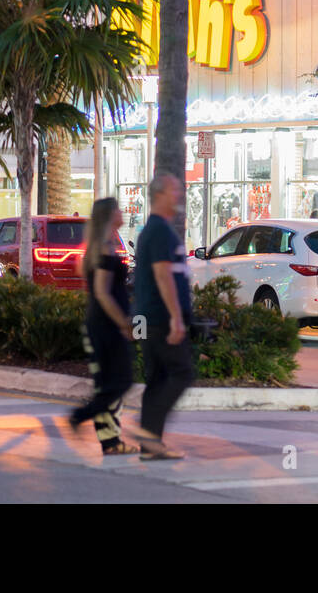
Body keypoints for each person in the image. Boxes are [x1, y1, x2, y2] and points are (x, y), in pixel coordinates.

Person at [69, 198, 154, 456]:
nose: (122, 212)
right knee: (119, 383)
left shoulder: (102, 247)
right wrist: (124, 323)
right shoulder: (104, 253)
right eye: (118, 209)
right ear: (109, 216)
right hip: (105, 328)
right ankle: (81, 416)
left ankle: (111, 443)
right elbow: (103, 294)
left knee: (111, 385)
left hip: (103, 327)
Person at [132, 173, 195, 461]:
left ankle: (150, 443)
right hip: (160, 318)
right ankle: (148, 434)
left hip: (148, 318)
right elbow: (162, 274)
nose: (179, 195)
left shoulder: (155, 229)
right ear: (159, 195)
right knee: (182, 373)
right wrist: (176, 318)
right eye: (174, 190)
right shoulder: (159, 230)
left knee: (157, 379)